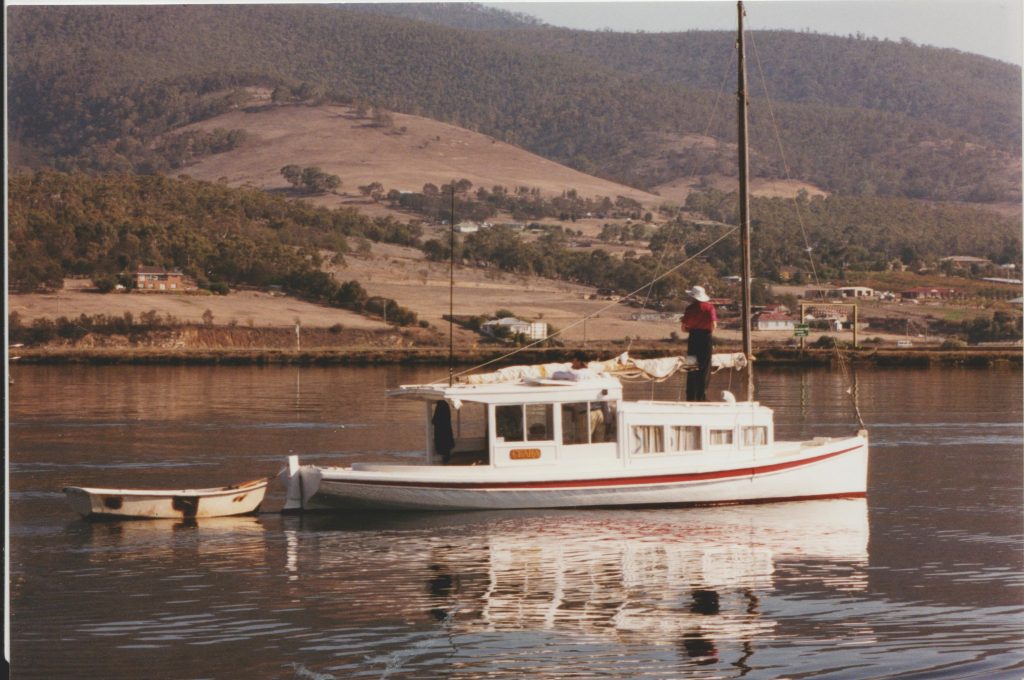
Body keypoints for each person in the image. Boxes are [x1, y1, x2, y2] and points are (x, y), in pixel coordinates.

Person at [681, 285, 717, 401]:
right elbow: (713, 325)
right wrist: (707, 331)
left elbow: (683, 328)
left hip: (693, 338)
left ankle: (690, 396)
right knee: (704, 368)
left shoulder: (690, 308)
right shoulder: (710, 308)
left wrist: (691, 330)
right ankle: (702, 397)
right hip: (706, 338)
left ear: (693, 297)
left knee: (691, 366)